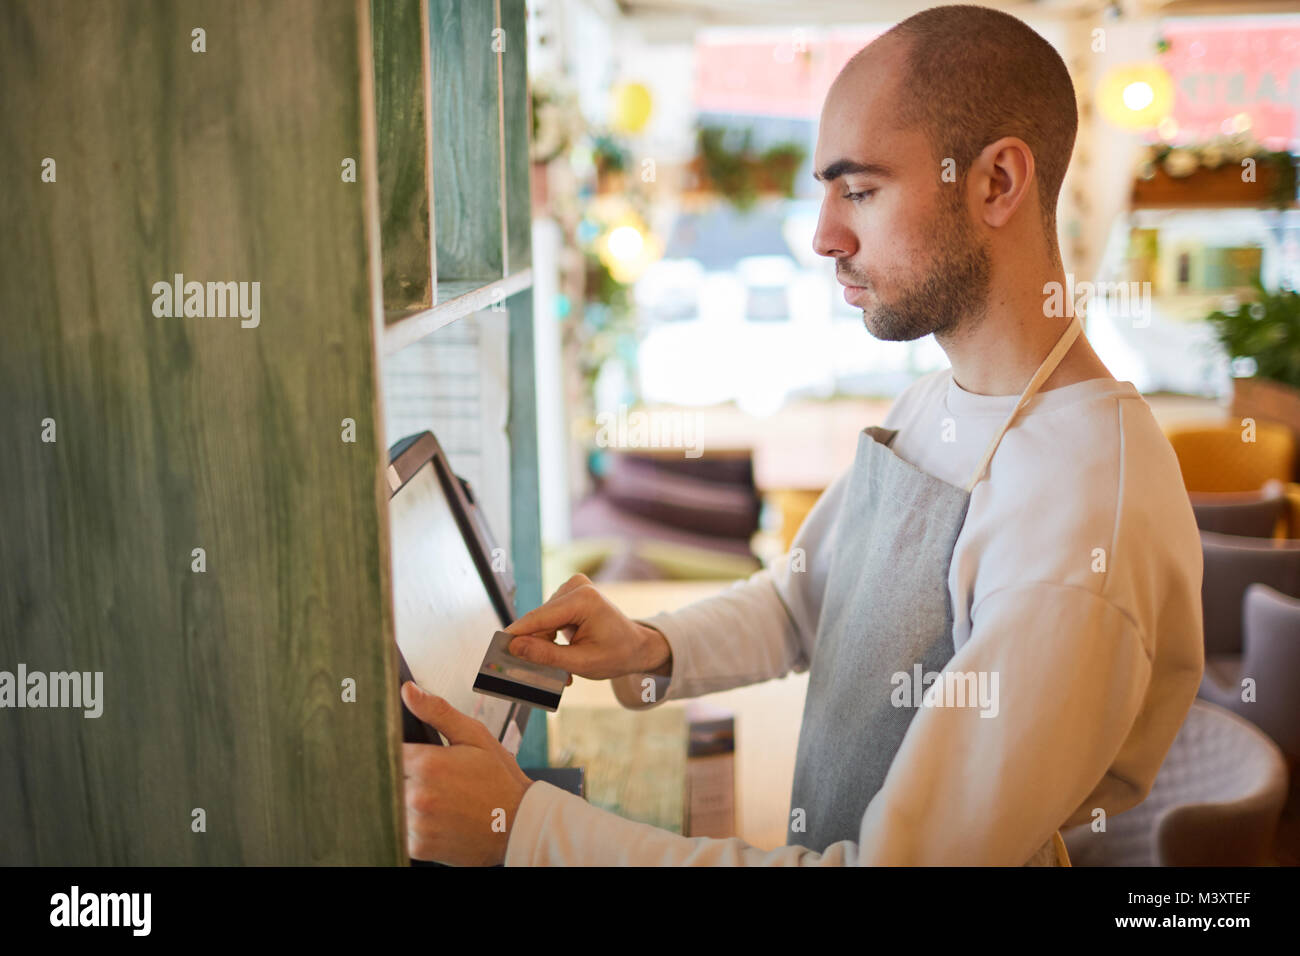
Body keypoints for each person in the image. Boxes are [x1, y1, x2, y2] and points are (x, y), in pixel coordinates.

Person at [399, 3, 1204, 866]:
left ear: (998, 182)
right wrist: (648, 646)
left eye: (859, 190)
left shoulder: (1082, 517)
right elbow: (803, 600)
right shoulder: (938, 398)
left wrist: (529, 829)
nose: (824, 236)